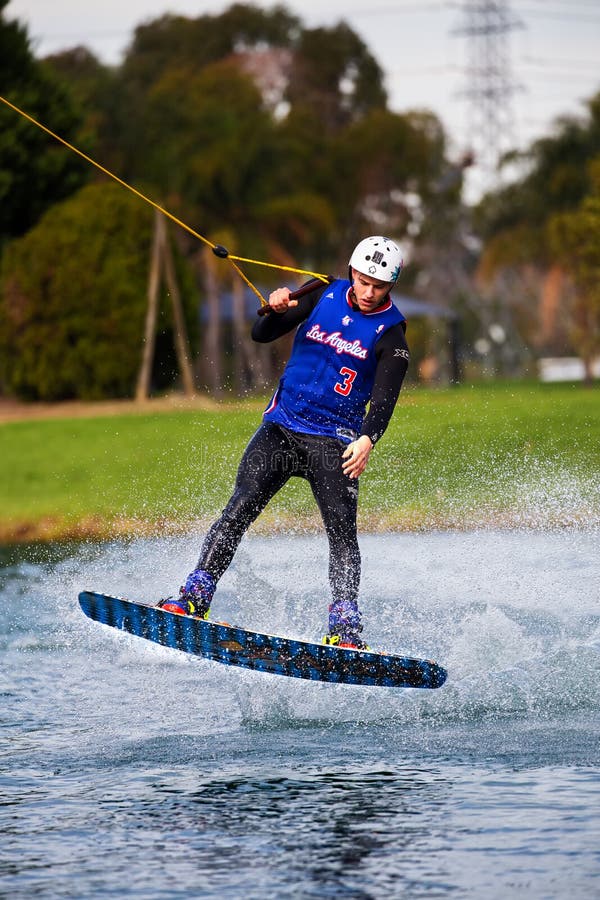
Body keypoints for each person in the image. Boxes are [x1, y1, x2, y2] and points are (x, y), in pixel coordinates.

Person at [159, 236, 410, 650]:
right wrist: (276, 311)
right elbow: (261, 334)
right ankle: (193, 598)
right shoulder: (319, 293)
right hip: (280, 429)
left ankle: (345, 631)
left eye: (378, 286)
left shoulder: (391, 336)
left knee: (343, 535)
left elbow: (385, 399)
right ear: (352, 271)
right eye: (363, 281)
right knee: (236, 512)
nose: (368, 292)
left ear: (391, 286)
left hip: (335, 444)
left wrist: (368, 438)